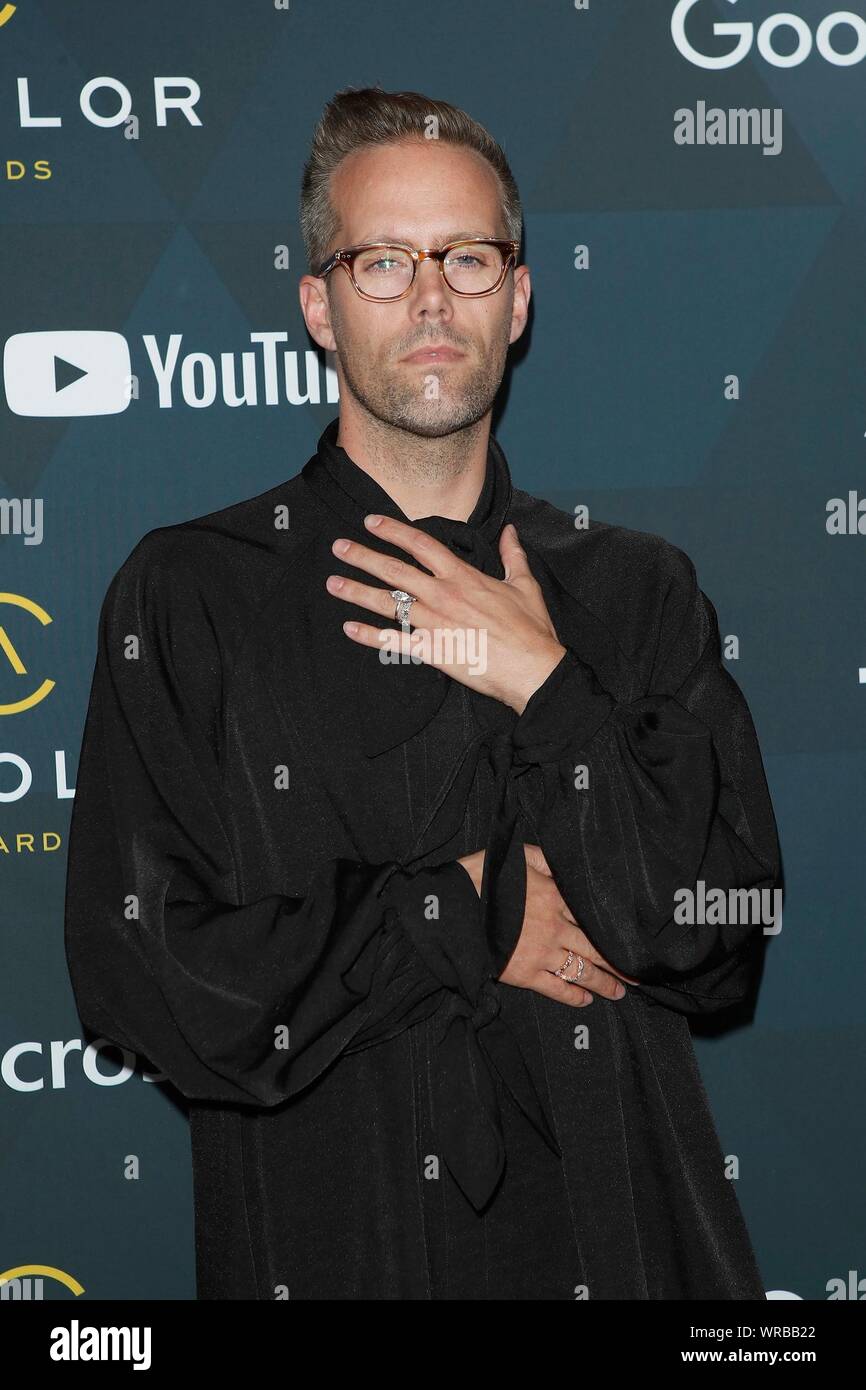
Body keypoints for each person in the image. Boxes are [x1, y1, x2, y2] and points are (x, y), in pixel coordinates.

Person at [64, 86, 782, 1300]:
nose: (433, 296)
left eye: (466, 255)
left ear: (519, 295)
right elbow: (147, 978)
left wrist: (548, 687)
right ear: (318, 308)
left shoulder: (633, 590)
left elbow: (713, 938)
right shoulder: (193, 595)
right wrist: (464, 912)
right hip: (331, 1249)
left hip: (627, 1257)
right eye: (384, 260)